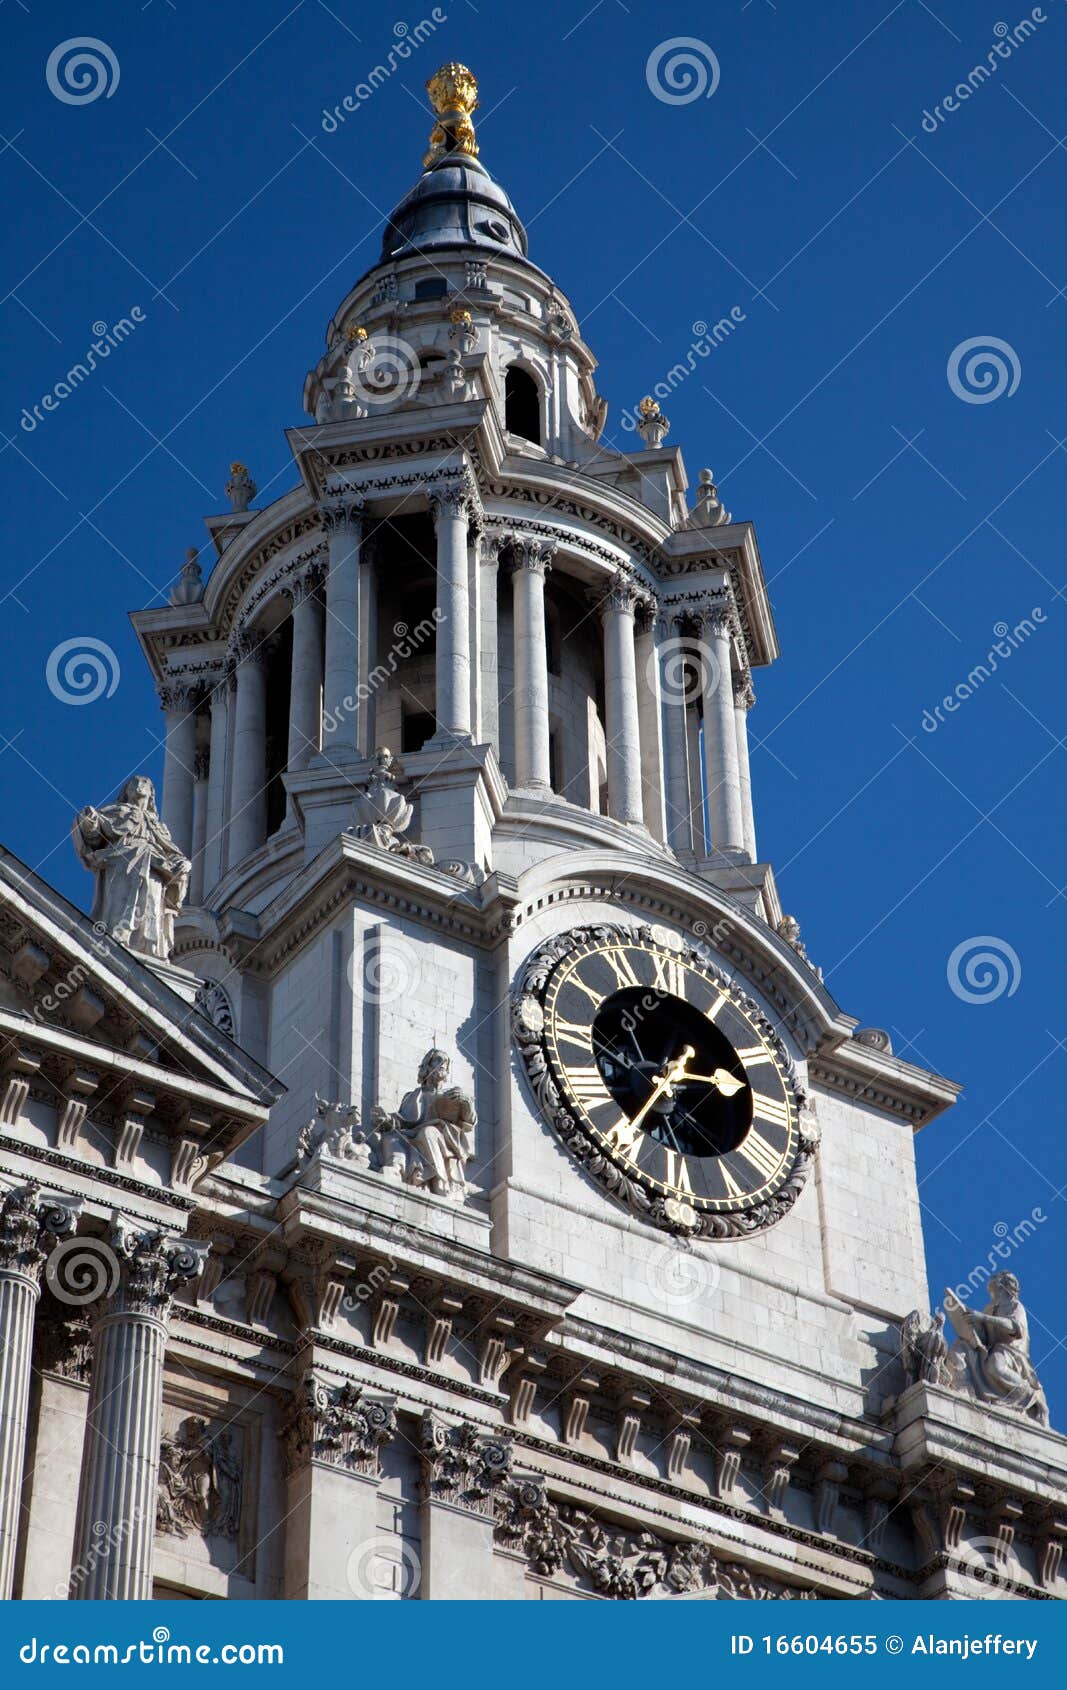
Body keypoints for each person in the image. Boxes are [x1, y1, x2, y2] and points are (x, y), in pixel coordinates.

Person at [73, 775, 189, 959]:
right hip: (123, 863)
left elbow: (171, 852)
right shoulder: (117, 811)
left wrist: (183, 863)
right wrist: (90, 820)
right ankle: (117, 940)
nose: (139, 785)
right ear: (126, 791)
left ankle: (150, 951)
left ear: (151, 794)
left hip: (154, 868)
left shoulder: (158, 826)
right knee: (120, 903)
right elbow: (94, 833)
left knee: (151, 906)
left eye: (144, 783)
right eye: (134, 783)